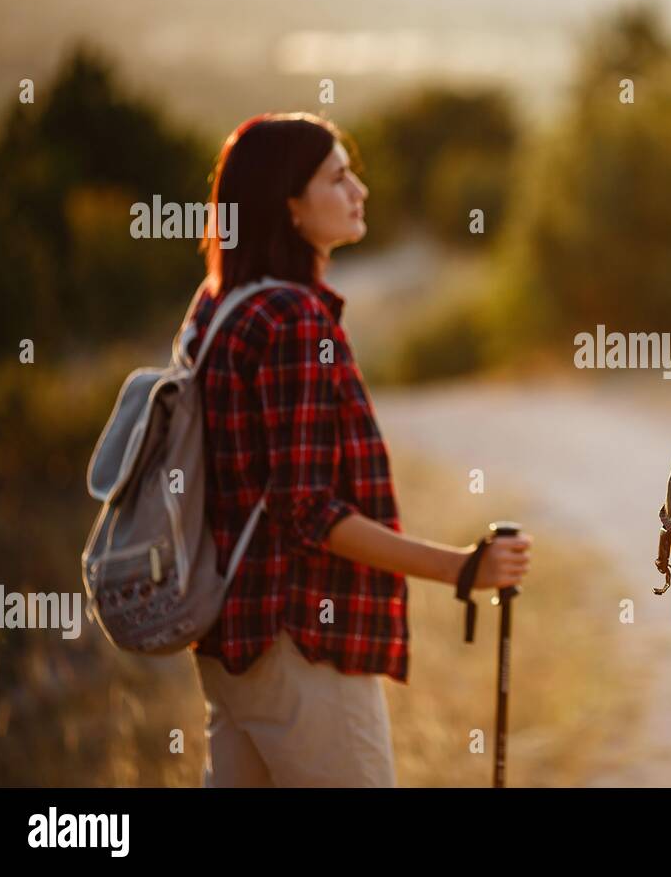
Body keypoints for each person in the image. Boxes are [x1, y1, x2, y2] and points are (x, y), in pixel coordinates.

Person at [187, 112, 532, 787]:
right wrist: (462, 568)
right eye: (337, 177)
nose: (359, 191)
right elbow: (307, 509)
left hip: (234, 643)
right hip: (303, 645)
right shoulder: (294, 321)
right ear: (288, 205)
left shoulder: (220, 306)